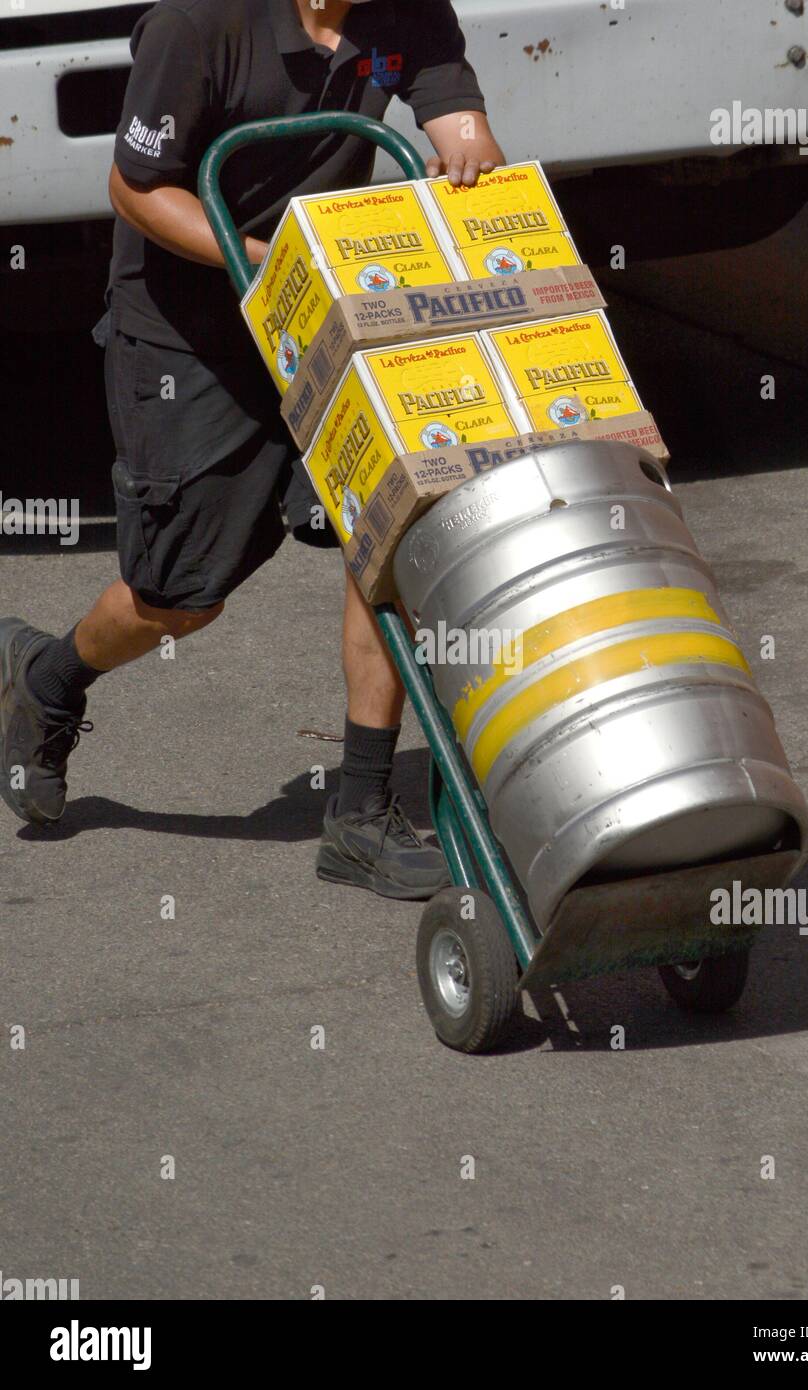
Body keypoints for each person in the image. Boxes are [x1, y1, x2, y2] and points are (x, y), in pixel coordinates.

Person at [0, 0, 505, 900]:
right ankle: (48, 675)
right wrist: (259, 262)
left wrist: (469, 151)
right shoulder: (199, 23)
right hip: (190, 331)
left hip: (327, 310)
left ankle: (359, 811)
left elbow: (457, 118)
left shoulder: (408, 7)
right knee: (179, 600)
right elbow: (133, 185)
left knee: (383, 533)